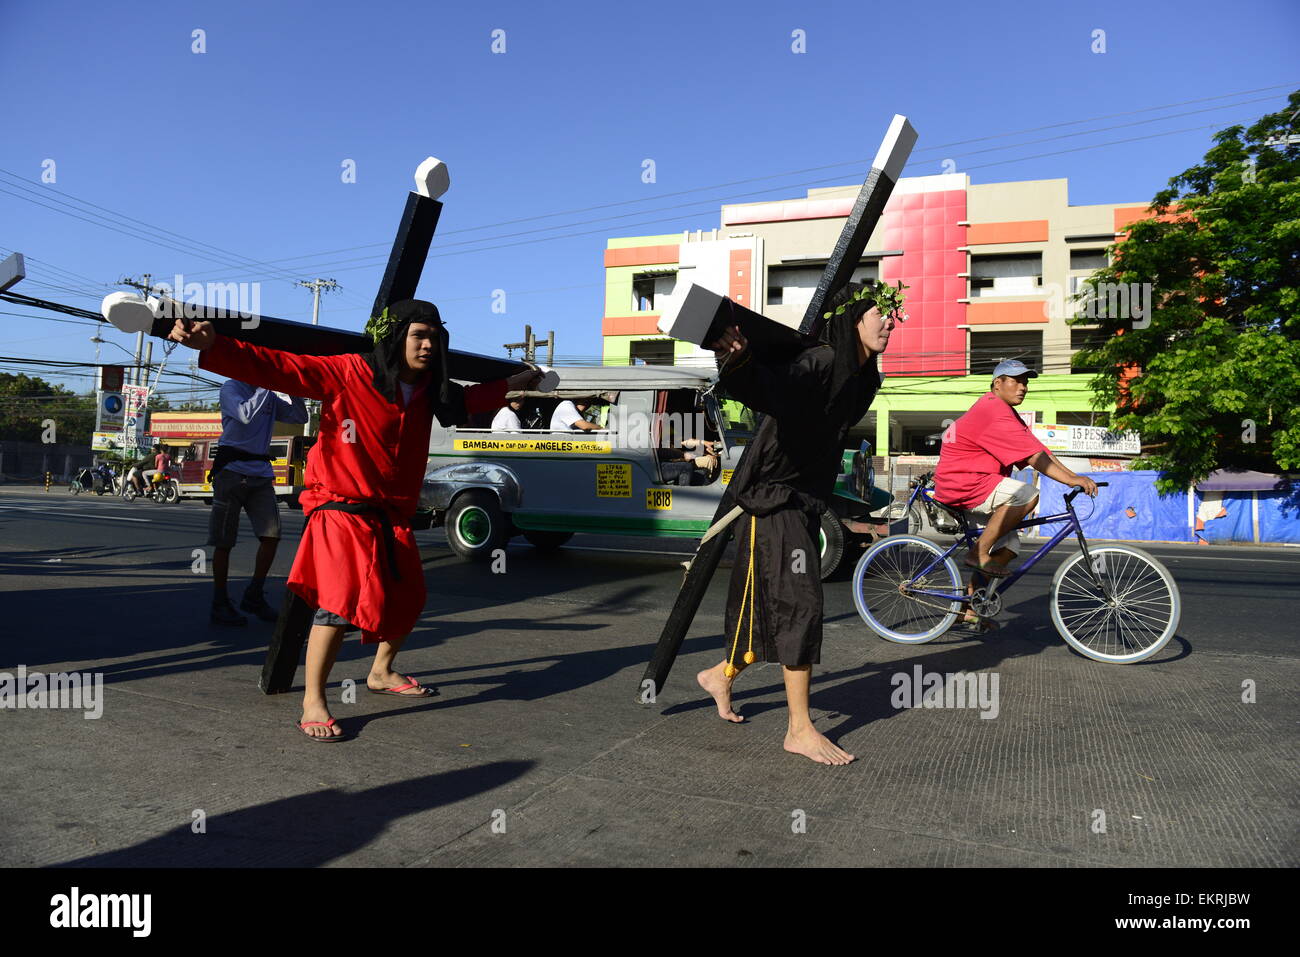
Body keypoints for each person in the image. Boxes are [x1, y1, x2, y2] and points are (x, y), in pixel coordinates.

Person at [168, 299, 540, 741]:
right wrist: (216, 346)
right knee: (339, 603)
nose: (428, 345)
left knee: (409, 595)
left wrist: (516, 383)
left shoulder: (428, 389)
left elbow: (469, 400)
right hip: (339, 505)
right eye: (419, 336)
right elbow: (281, 367)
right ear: (396, 338)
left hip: (389, 511)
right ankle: (313, 700)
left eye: (434, 338)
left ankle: (381, 672)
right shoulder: (348, 371)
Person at [694, 280, 901, 766]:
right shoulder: (822, 361)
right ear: (853, 320)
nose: (890, 322)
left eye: (891, 314)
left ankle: (721, 675)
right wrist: (737, 359)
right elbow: (773, 387)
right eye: (880, 314)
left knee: (769, 603)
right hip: (772, 496)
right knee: (801, 602)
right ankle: (799, 729)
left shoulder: (863, 377)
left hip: (803, 498)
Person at [932, 359, 1098, 602]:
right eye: (1017, 381)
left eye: (1025, 382)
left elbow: (1040, 451)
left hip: (978, 485)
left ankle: (969, 607)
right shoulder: (992, 409)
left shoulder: (1005, 412)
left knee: (1010, 547)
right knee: (1027, 494)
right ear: (997, 384)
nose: (1023, 387)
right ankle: (978, 553)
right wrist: (1071, 480)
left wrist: (1073, 477)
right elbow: (1034, 458)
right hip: (964, 485)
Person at [207, 379, 310, 626]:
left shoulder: (269, 396)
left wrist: (294, 390)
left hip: (260, 473)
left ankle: (254, 593)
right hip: (231, 472)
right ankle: (220, 602)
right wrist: (267, 386)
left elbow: (300, 417)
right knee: (224, 542)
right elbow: (244, 414)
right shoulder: (231, 388)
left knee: (271, 535)